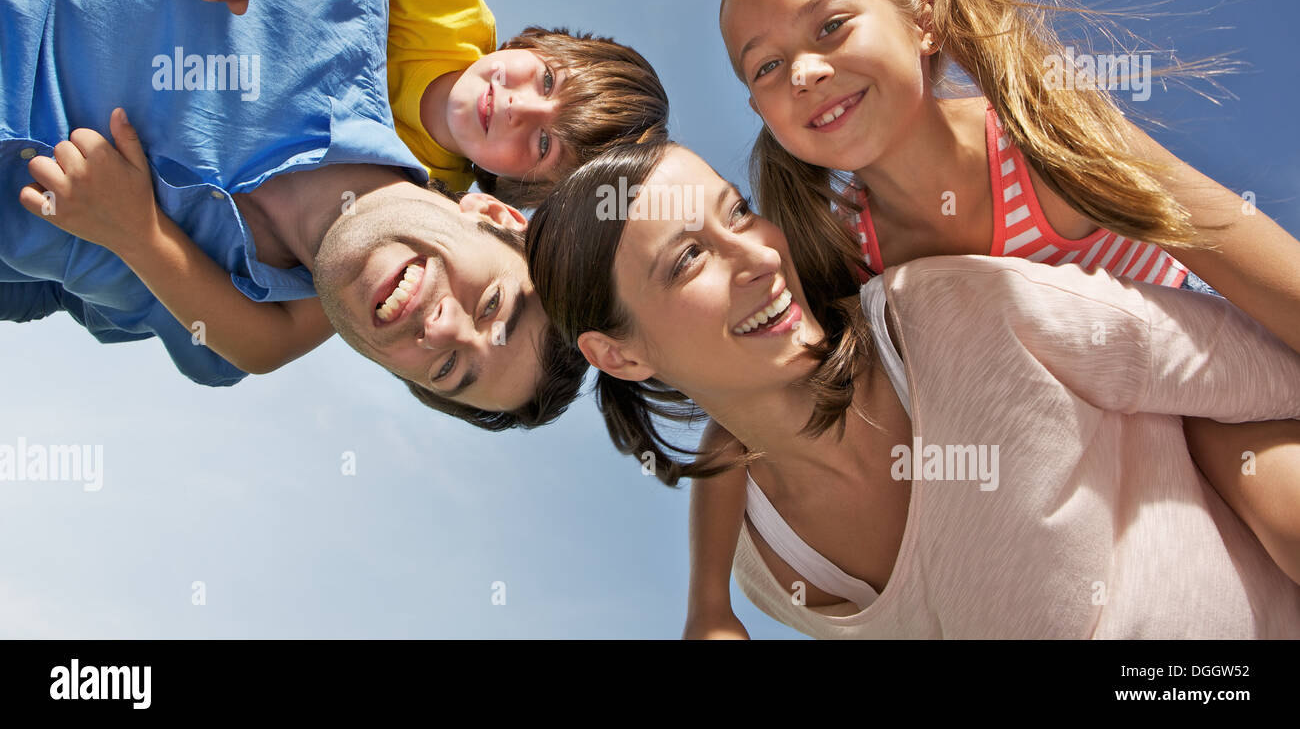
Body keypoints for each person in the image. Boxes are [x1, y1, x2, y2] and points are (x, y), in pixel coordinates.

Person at [676, 0, 1300, 636]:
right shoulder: (846, 259)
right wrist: (710, 605)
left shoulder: (1046, 141)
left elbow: (1239, 251)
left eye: (831, 27)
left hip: (1198, 401)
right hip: (1079, 480)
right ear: (760, 110)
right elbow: (743, 416)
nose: (805, 73)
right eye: (766, 67)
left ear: (922, 20)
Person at [3, 0, 667, 379]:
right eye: (546, 82)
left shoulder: (386, 230)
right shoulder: (440, 9)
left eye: (542, 146)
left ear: (513, 190)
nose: (519, 107)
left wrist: (141, 237)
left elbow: (268, 341)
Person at [526, 140, 1300, 638]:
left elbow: (1270, 370)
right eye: (689, 258)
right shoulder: (769, 571)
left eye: (741, 213)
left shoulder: (955, 313)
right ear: (618, 355)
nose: (760, 256)